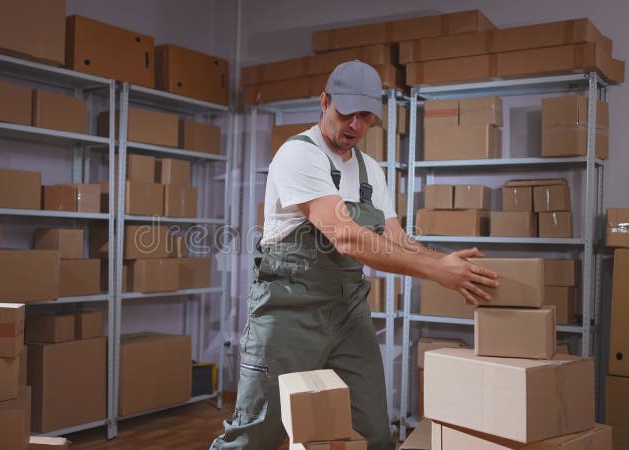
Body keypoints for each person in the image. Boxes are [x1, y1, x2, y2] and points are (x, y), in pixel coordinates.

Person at [210, 61, 500, 450]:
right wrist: (436, 272)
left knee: (375, 434)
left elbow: (396, 238)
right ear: (324, 102)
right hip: (289, 310)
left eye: (365, 117)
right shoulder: (299, 154)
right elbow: (346, 237)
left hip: (348, 311)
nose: (355, 125)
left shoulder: (370, 170)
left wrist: (444, 262)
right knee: (254, 438)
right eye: (347, 113)